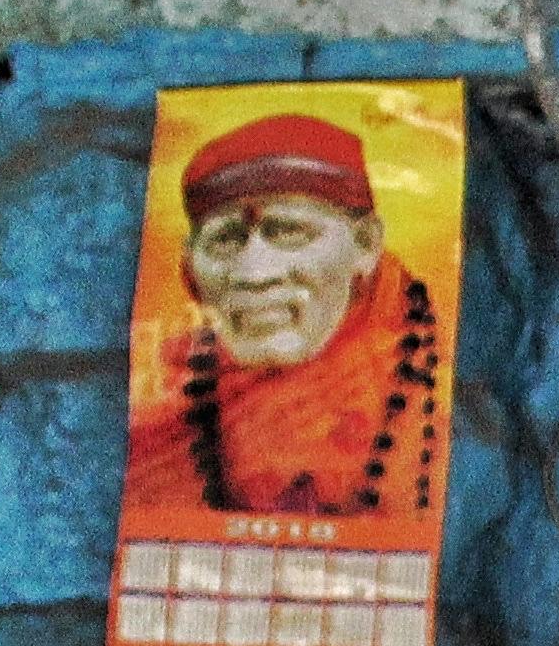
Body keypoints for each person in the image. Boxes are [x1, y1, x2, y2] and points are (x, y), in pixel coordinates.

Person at [121, 111, 446, 526]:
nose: (254, 274)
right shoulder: (162, 435)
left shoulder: (437, 412)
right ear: (189, 268)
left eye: (289, 232)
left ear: (365, 245)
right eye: (224, 240)